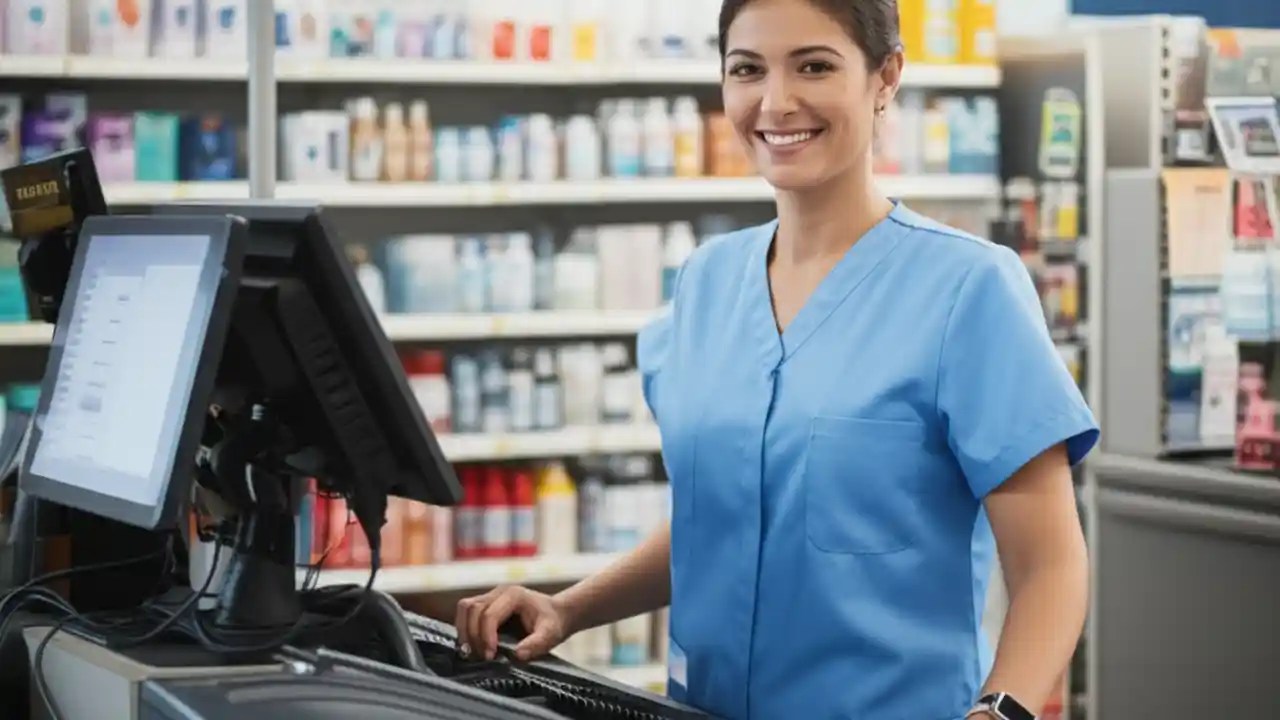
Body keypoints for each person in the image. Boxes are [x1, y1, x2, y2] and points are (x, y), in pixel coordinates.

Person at [455, 1, 1099, 717]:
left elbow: (1050, 566)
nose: (776, 102)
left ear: (886, 77)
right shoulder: (705, 283)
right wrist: (568, 609)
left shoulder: (967, 289)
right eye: (747, 70)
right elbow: (725, 517)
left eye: (814, 66)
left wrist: (998, 711)